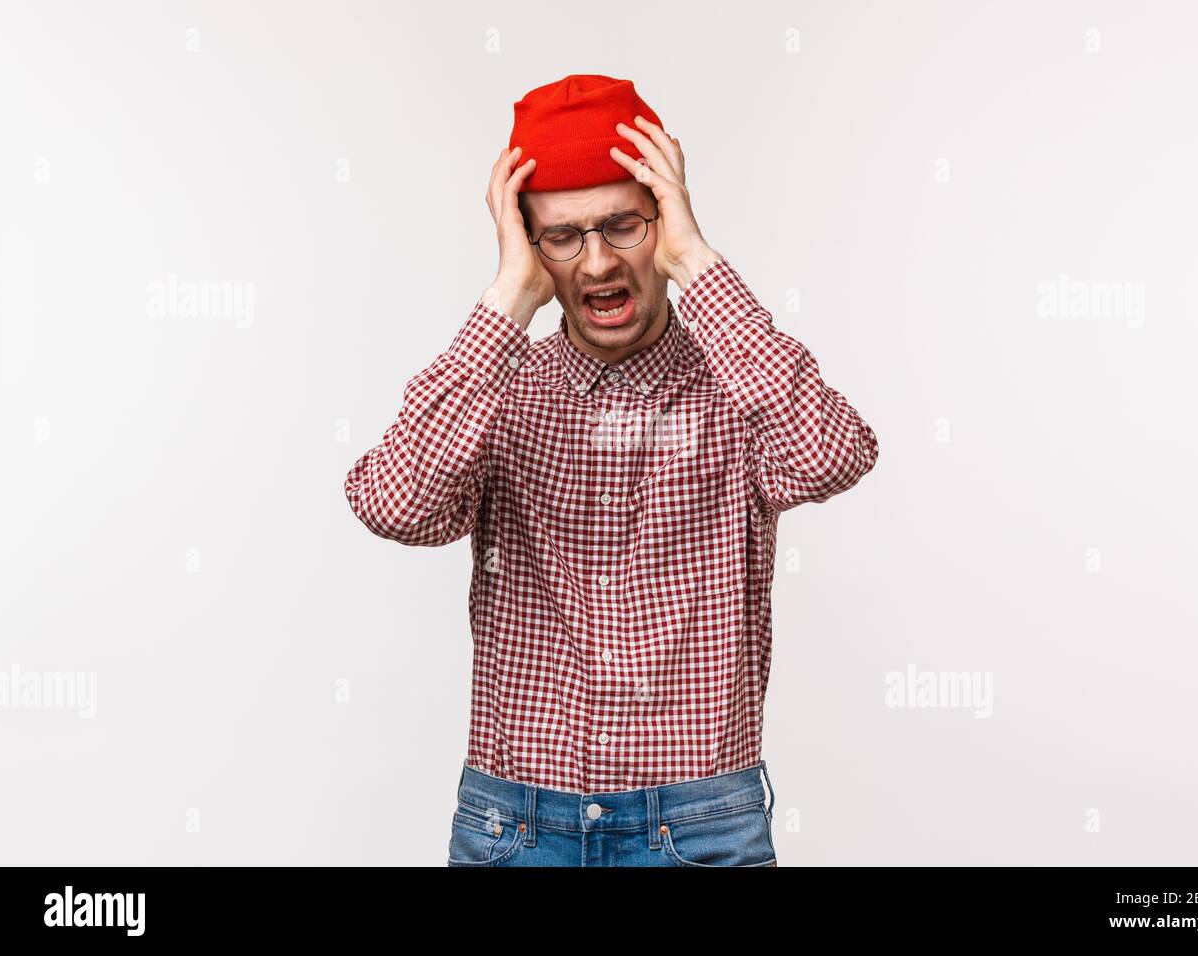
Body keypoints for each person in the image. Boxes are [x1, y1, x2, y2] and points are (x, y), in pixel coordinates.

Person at [343, 74, 879, 866]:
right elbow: (392, 504)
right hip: (516, 830)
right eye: (561, 236)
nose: (596, 263)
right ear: (529, 244)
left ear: (663, 221)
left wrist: (700, 266)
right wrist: (505, 302)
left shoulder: (741, 384)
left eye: (623, 225)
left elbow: (833, 453)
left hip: (698, 826)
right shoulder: (502, 386)